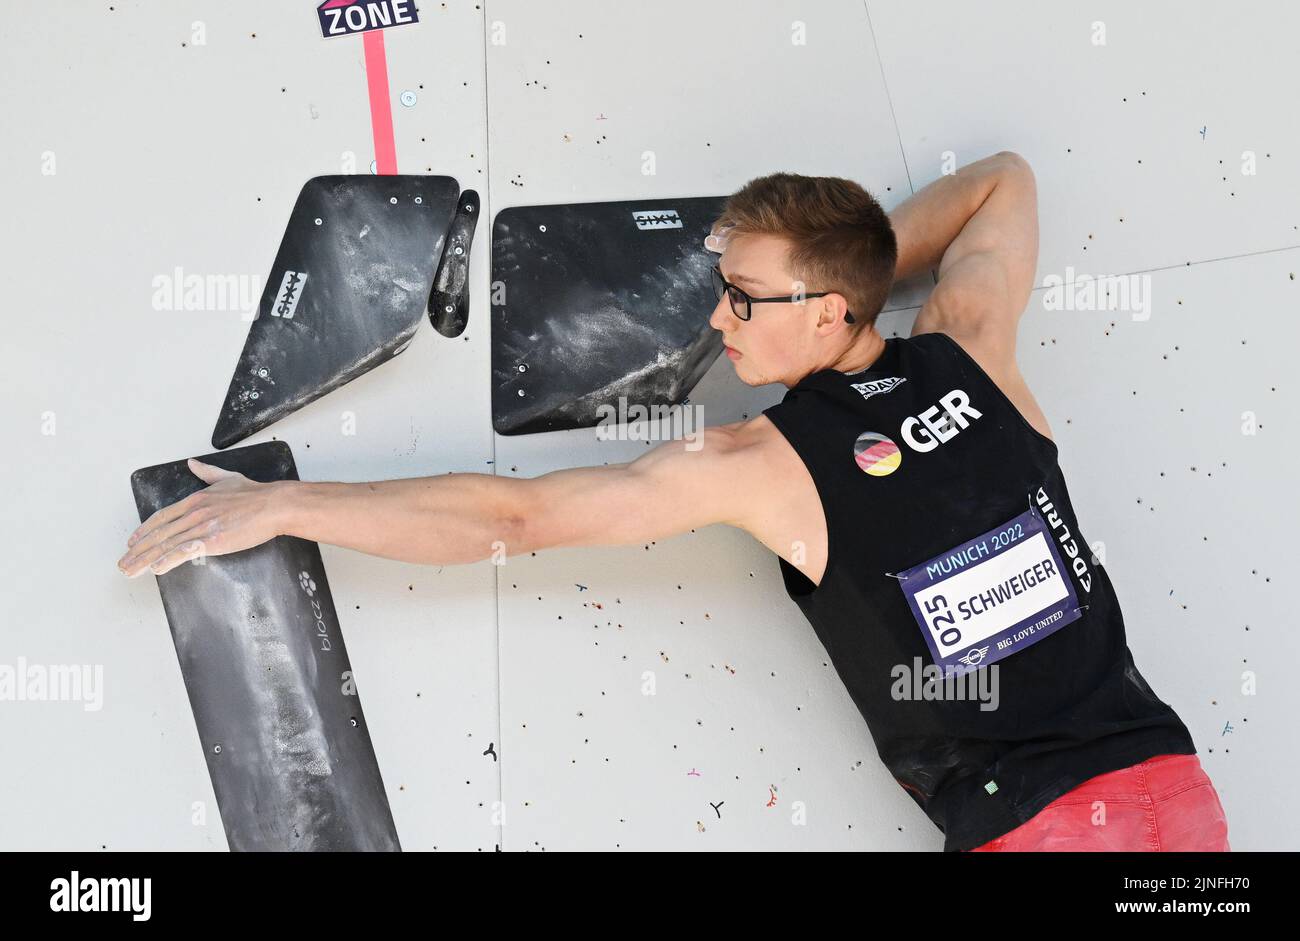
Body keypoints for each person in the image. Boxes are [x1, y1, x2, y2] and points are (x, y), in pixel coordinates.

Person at [117, 151, 1230, 852]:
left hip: (1032, 827)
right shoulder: (972, 344)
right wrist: (849, 290)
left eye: (745, 296)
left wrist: (289, 509)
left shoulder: (762, 458)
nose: (717, 317)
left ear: (834, 306)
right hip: (1179, 797)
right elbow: (1004, 183)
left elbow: (515, 518)